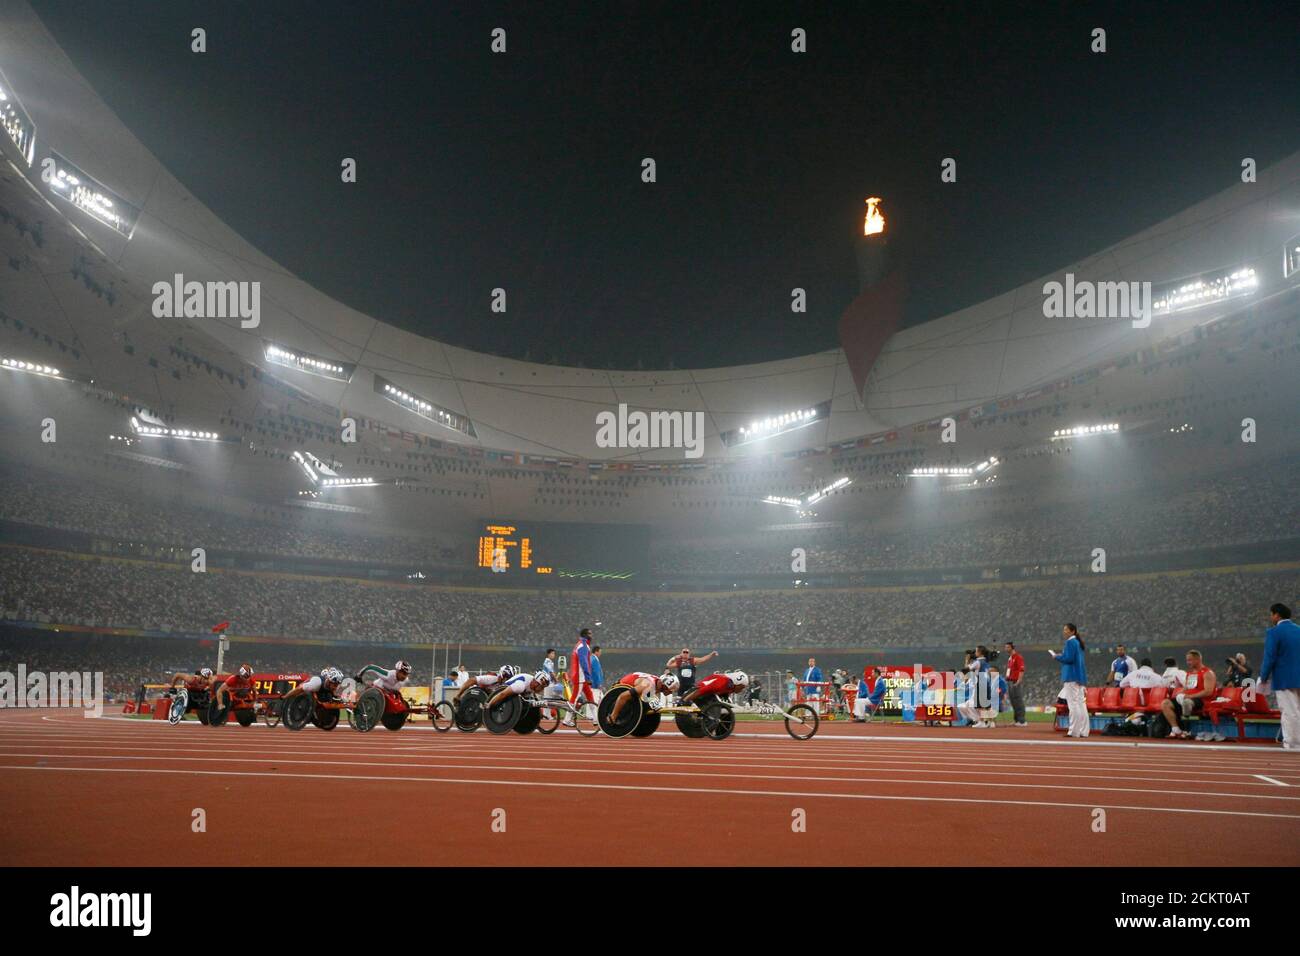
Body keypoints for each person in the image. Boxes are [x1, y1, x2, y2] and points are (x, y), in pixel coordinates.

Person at [1258, 603, 1300, 752]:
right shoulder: (1298, 630)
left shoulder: (1274, 632)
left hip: (1284, 678)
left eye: (1271, 614)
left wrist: (1263, 677)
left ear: (1277, 615)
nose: (1271, 617)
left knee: (1289, 711)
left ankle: (1293, 744)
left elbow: (1269, 657)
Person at [1160, 650, 1217, 739]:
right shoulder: (1190, 673)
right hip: (1189, 698)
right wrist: (1180, 694)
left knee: (1187, 702)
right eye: (1187, 660)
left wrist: (1189, 696)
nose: (1188, 662)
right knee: (1165, 703)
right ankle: (1176, 730)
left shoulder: (1207, 673)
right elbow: (1188, 688)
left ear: (1197, 660)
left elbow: (1208, 692)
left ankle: (1187, 715)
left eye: (1190, 660)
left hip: (1201, 700)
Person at [1049, 623, 1089, 738]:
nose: (1064, 632)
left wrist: (1057, 656)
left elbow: (1069, 659)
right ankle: (1083, 731)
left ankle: (1073, 731)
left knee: (1073, 704)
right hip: (1079, 675)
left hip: (1071, 675)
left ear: (1073, 631)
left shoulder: (1070, 642)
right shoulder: (1077, 643)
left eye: (1066, 630)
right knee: (1081, 704)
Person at [607, 671, 680, 723]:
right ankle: (613, 716)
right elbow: (622, 696)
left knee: (652, 705)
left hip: (631, 690)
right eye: (671, 690)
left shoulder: (657, 683)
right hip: (617, 690)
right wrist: (613, 716)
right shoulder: (647, 684)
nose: (671, 692)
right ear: (664, 686)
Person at [680, 670, 748, 705]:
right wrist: (685, 700)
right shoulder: (722, 683)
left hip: (707, 693)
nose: (741, 690)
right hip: (699, 690)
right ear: (737, 683)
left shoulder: (730, 686)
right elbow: (701, 690)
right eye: (742, 687)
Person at [568, 628, 596, 710]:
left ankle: (595, 718)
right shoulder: (583, 646)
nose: (591, 636)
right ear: (585, 635)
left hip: (581, 676)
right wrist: (588, 677)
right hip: (580, 676)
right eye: (590, 634)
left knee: (590, 696)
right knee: (575, 697)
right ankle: (567, 720)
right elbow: (584, 663)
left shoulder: (580, 644)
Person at [1003, 642, 1027, 726]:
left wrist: (1019, 680)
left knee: (1018, 700)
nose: (1006, 649)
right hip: (1010, 681)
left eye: (1008, 647)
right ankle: (1016, 720)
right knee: (1013, 701)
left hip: (1015, 681)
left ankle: (1022, 721)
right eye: (1005, 647)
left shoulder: (1018, 657)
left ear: (1012, 648)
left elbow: (1021, 669)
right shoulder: (1010, 658)